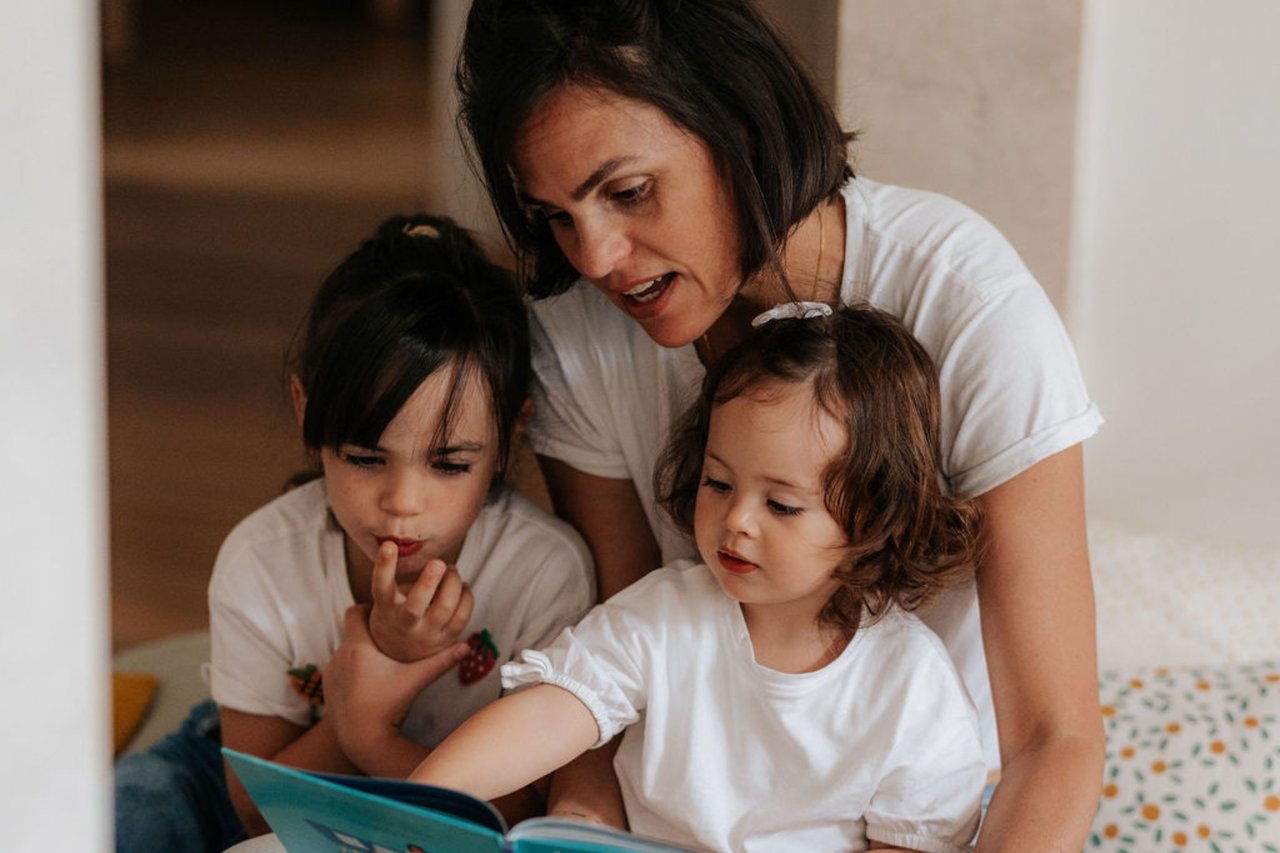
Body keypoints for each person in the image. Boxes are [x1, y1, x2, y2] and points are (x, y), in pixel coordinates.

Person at [454, 1, 1106, 849]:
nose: (596, 258)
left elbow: (1054, 738)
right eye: (556, 216)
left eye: (628, 192)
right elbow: (610, 656)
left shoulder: (968, 304)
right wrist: (580, 825)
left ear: (742, 131)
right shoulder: (580, 329)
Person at [411, 305, 989, 853]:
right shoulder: (665, 616)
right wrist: (419, 804)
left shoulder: (911, 684)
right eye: (718, 483)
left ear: (874, 515)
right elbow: (546, 717)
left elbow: (911, 842)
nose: (736, 520)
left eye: (781, 505)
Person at [112, 214, 595, 851]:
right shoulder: (261, 561)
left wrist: (371, 732)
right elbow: (252, 811)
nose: (402, 504)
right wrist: (354, 707)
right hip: (267, 762)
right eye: (367, 458)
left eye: (450, 464)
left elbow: (516, 816)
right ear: (308, 411)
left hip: (435, 797)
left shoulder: (543, 573)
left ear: (510, 436)